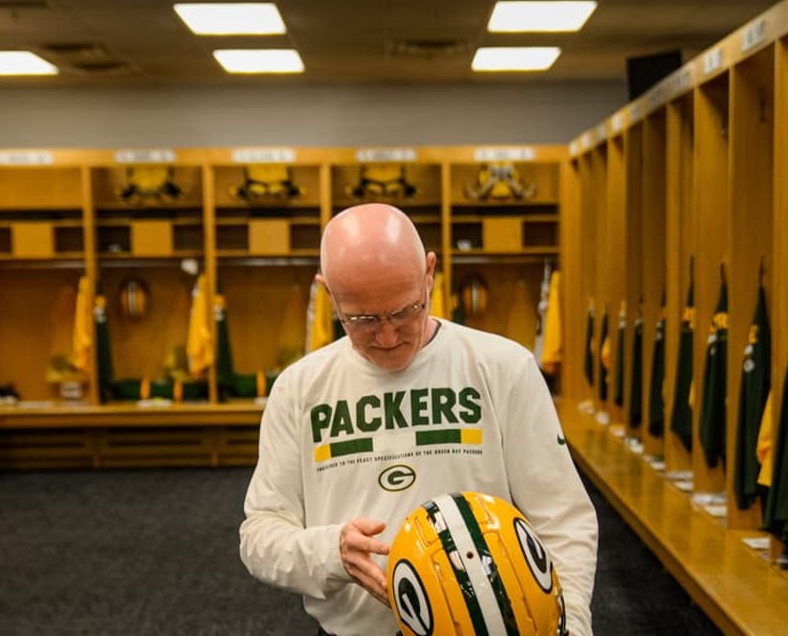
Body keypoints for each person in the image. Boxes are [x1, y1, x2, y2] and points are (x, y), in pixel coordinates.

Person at [239, 204, 598, 636]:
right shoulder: (299, 389)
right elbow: (259, 535)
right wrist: (331, 552)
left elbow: (562, 517)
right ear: (327, 294)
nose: (388, 336)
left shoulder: (504, 368)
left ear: (430, 273)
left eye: (406, 310)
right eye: (362, 319)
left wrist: (570, 623)